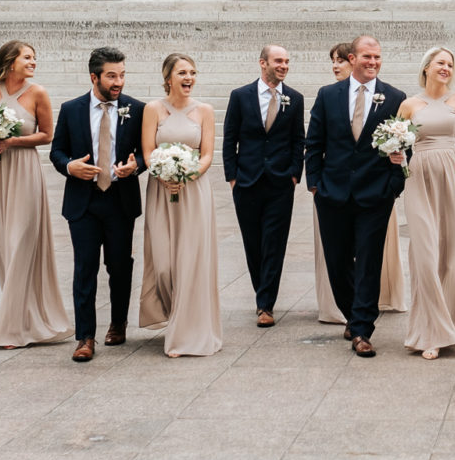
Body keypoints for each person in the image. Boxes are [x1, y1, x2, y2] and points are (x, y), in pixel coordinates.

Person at [306, 35, 407, 357]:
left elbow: (404, 145)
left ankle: (363, 328)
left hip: (375, 195)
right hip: (332, 192)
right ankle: (352, 312)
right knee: (336, 261)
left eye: (377, 57)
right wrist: (314, 183)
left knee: (368, 261)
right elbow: (314, 142)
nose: (373, 62)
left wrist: (394, 185)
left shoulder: (394, 97)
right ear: (351, 58)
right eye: (367, 56)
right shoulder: (328, 95)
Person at [50, 46, 145, 362]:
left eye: (121, 75)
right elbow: (57, 151)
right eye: (111, 76)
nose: (118, 82)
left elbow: (146, 152)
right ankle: (85, 337)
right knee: (84, 269)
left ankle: (118, 323)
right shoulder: (71, 109)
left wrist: (136, 167)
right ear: (94, 77)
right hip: (83, 202)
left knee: (119, 267)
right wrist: (69, 166)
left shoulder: (136, 108)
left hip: (120, 201)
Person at [397, 47, 455, 359]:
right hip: (420, 178)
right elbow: (395, 142)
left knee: (453, 251)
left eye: (450, 63)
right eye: (440, 63)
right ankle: (429, 332)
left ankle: (448, 323)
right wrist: (395, 155)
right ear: (426, 68)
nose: (446, 68)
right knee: (424, 253)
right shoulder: (409, 105)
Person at [0, 40, 69, 349]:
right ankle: (18, 315)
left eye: (34, 57)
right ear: (11, 60)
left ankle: (13, 329)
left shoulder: (38, 93)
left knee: (22, 242)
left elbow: (47, 135)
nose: (33, 62)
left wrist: (12, 142)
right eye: (27, 57)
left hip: (25, 170)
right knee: (4, 243)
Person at [139, 53, 222, 357]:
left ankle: (186, 331)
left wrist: (186, 176)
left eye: (193, 72)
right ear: (168, 77)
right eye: (183, 73)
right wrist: (163, 175)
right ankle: (171, 313)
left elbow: (208, 155)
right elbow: (148, 152)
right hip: (161, 192)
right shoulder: (152, 110)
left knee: (191, 261)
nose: (189, 78)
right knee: (162, 263)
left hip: (193, 192)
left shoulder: (205, 111)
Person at [224, 44, 305, 329]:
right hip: (246, 181)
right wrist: (232, 177)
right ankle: (263, 294)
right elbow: (229, 137)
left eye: (287, 61)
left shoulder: (294, 98)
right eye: (278, 61)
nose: (284, 65)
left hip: (281, 183)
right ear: (263, 63)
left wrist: (295, 173)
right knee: (253, 243)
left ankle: (265, 304)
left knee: (274, 243)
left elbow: (299, 139)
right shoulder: (240, 96)